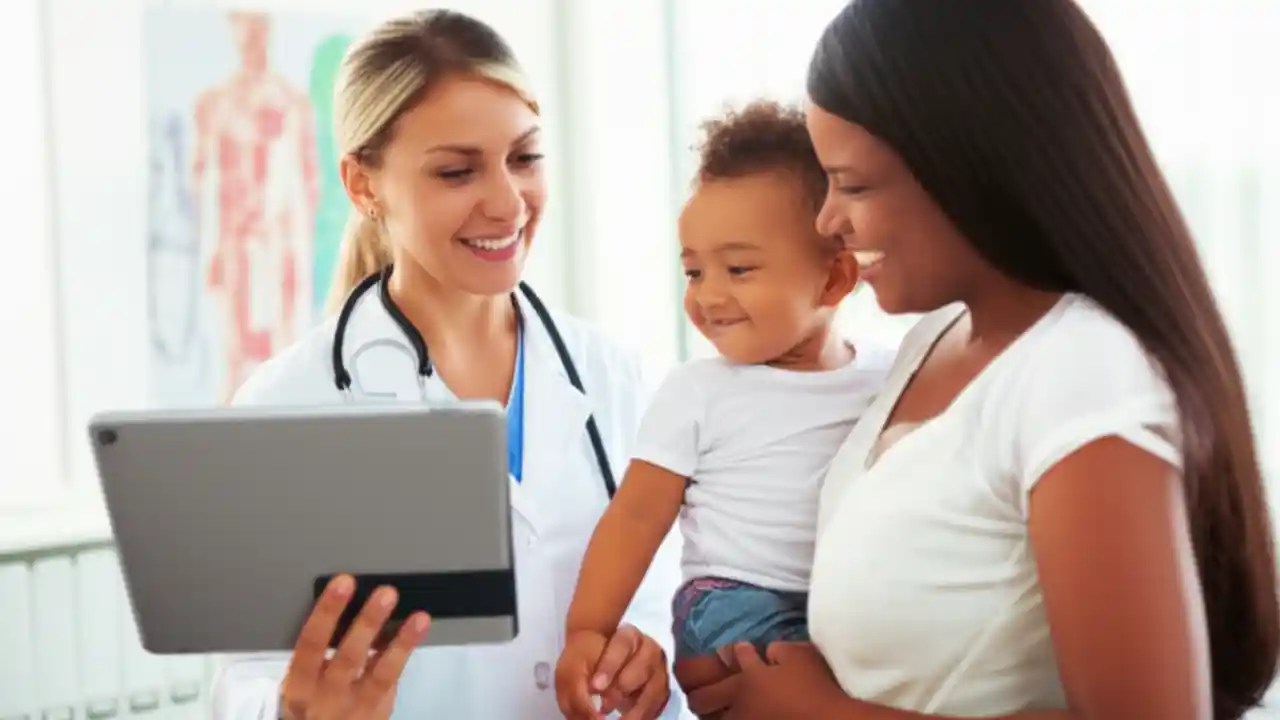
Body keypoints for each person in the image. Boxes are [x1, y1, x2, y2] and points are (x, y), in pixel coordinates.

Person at [684, 2, 1280, 719]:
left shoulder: (1080, 372)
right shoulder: (930, 343)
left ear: (970, 164)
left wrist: (823, 712)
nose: (827, 222)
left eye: (854, 184)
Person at [210, 10, 685, 719]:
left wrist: (652, 658)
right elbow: (242, 678)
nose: (507, 202)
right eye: (457, 171)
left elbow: (665, 596)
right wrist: (291, 712)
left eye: (524, 158)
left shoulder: (611, 374)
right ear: (363, 185)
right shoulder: (288, 402)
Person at [555, 101, 891, 719]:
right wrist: (587, 630)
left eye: (737, 269)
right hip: (736, 603)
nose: (708, 296)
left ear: (835, 281)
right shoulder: (698, 391)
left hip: (842, 606)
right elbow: (633, 519)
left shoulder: (889, 375)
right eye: (692, 271)